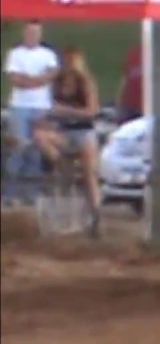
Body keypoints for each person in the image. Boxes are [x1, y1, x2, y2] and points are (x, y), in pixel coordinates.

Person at [30, 46, 103, 237]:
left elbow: (92, 111)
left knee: (89, 175)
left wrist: (68, 112)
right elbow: (53, 108)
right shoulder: (58, 83)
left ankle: (96, 215)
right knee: (40, 135)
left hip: (84, 132)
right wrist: (47, 118)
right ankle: (59, 163)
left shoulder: (86, 82)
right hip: (64, 131)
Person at [3, 22, 59, 206]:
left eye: (35, 32)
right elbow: (14, 78)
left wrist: (33, 80)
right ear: (24, 32)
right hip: (19, 105)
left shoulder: (48, 54)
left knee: (35, 150)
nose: (32, 35)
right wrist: (36, 81)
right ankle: (10, 194)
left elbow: (52, 74)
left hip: (41, 106)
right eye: (29, 31)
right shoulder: (15, 54)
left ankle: (31, 194)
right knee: (18, 148)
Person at [114, 44, 144, 123]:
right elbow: (125, 78)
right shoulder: (133, 53)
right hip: (129, 105)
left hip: (149, 108)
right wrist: (119, 102)